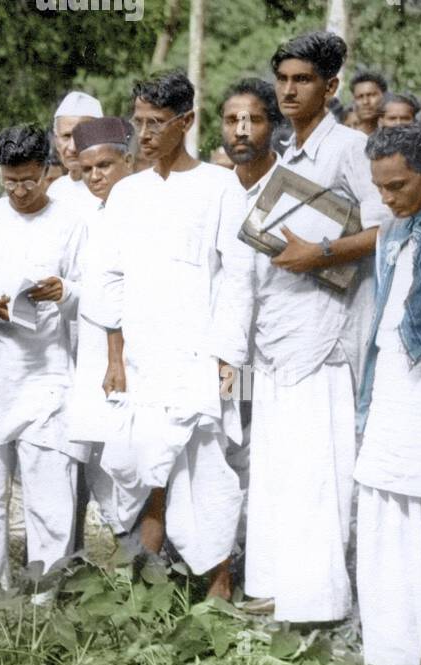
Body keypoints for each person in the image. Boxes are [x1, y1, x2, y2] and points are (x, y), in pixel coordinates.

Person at [236, 33, 389, 622]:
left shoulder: (352, 147)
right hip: (281, 327)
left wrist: (321, 253)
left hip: (328, 332)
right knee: (277, 467)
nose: (290, 90)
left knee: (318, 470)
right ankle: (278, 590)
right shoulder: (285, 148)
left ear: (330, 87)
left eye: (303, 80)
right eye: (284, 79)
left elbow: (386, 229)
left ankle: (319, 605)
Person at [94, 72, 254, 599]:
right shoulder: (127, 194)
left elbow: (237, 275)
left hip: (196, 357)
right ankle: (145, 587)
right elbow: (109, 277)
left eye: (156, 123)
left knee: (205, 471)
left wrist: (225, 355)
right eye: (138, 122)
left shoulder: (220, 186)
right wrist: (114, 356)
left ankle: (219, 585)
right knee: (144, 468)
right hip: (141, 358)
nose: (143, 134)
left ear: (185, 122)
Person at [0, 124, 87, 586]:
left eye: (28, 181)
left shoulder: (70, 221)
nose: (18, 191)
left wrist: (65, 290)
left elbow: (94, 289)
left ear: (47, 172)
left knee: (49, 495)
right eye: (9, 181)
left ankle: (44, 596)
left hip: (47, 373)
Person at [354, 126, 421, 665]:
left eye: (399, 186)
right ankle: (391, 658)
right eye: (380, 187)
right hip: (391, 384)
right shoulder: (390, 234)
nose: (388, 197)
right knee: (384, 509)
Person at [64, 117, 136, 534]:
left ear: (126, 160)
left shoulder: (146, 207)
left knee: (131, 455)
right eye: (88, 169)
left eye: (105, 166)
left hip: (134, 348)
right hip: (91, 347)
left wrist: (119, 357)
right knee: (91, 453)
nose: (95, 176)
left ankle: (142, 560)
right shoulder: (84, 213)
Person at [47, 90, 103, 211]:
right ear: (57, 142)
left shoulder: (114, 189)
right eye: (66, 136)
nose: (72, 147)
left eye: (80, 135)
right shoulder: (55, 191)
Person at [349, 69, 388, 136]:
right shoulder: (346, 137)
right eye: (360, 97)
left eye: (371, 95)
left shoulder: (393, 134)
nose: (365, 102)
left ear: (384, 96)